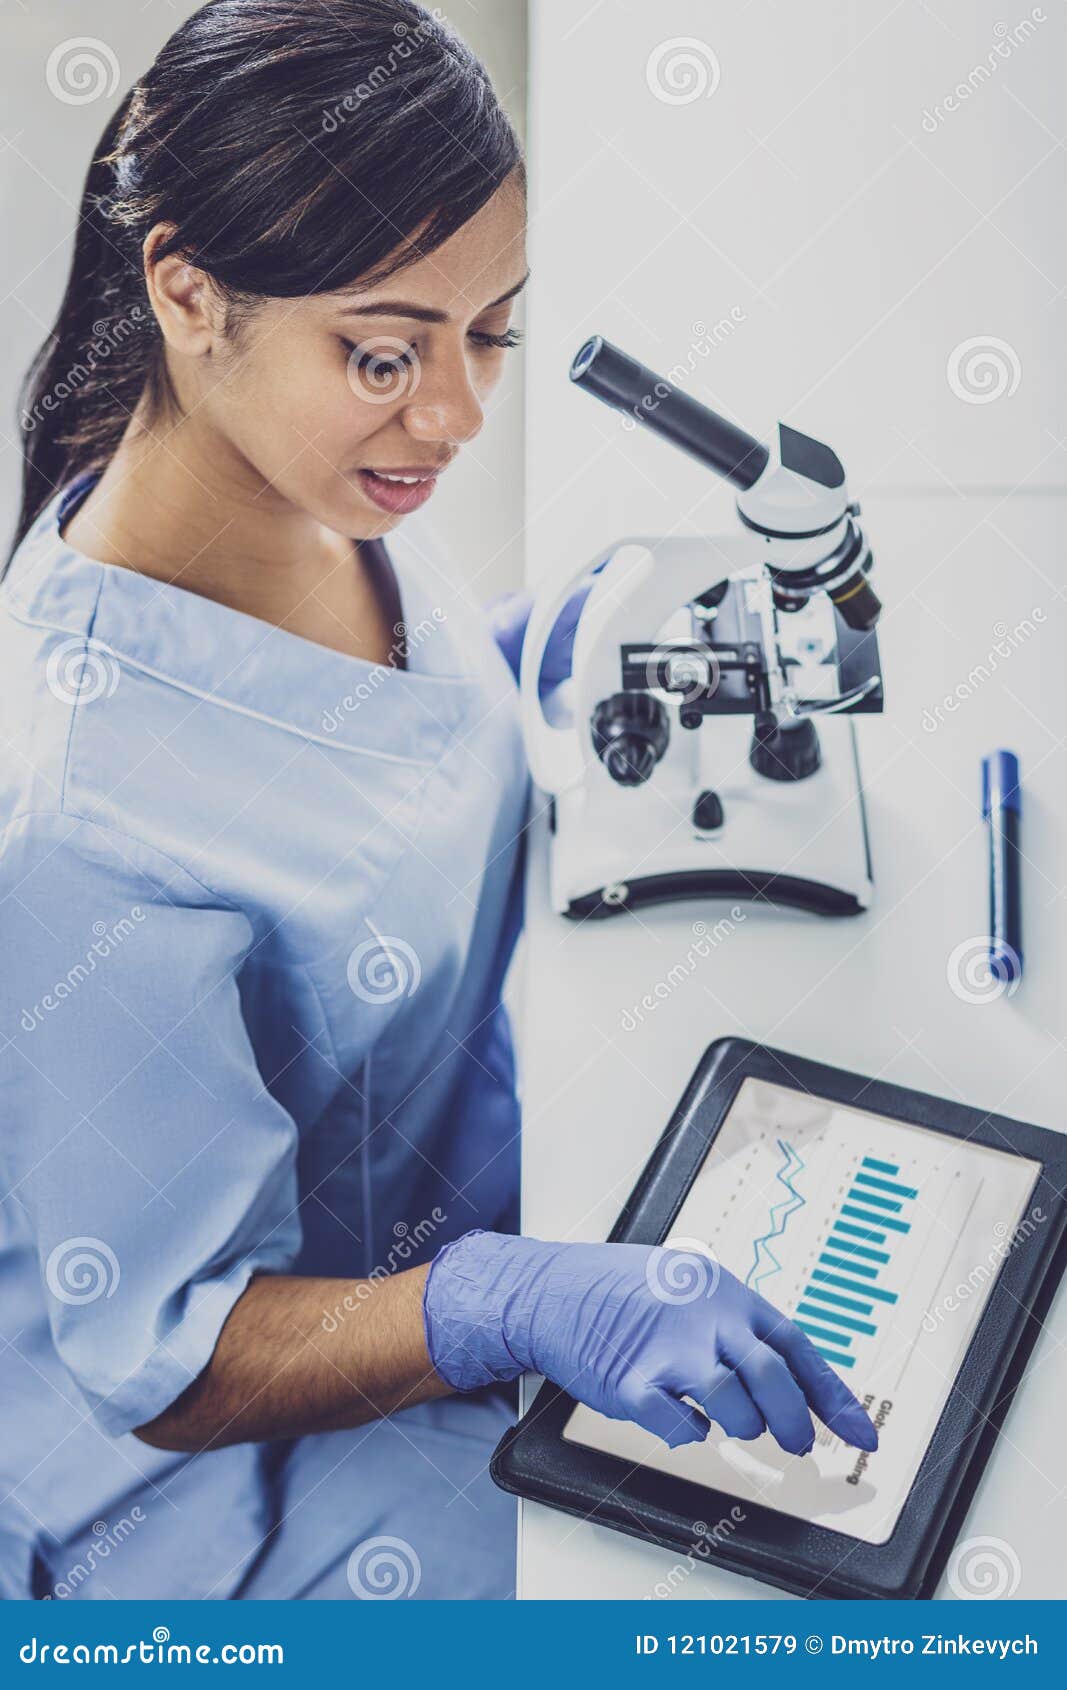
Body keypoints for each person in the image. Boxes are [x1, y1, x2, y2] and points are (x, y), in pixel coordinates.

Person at [0, 0, 876, 1602]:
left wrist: (554, 646)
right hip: (210, 1479)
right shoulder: (75, 823)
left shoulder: (302, 483)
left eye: (494, 335)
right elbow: (169, 1357)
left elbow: (353, 760)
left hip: (444, 1217)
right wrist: (498, 1303)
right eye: (387, 352)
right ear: (185, 292)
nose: (459, 414)